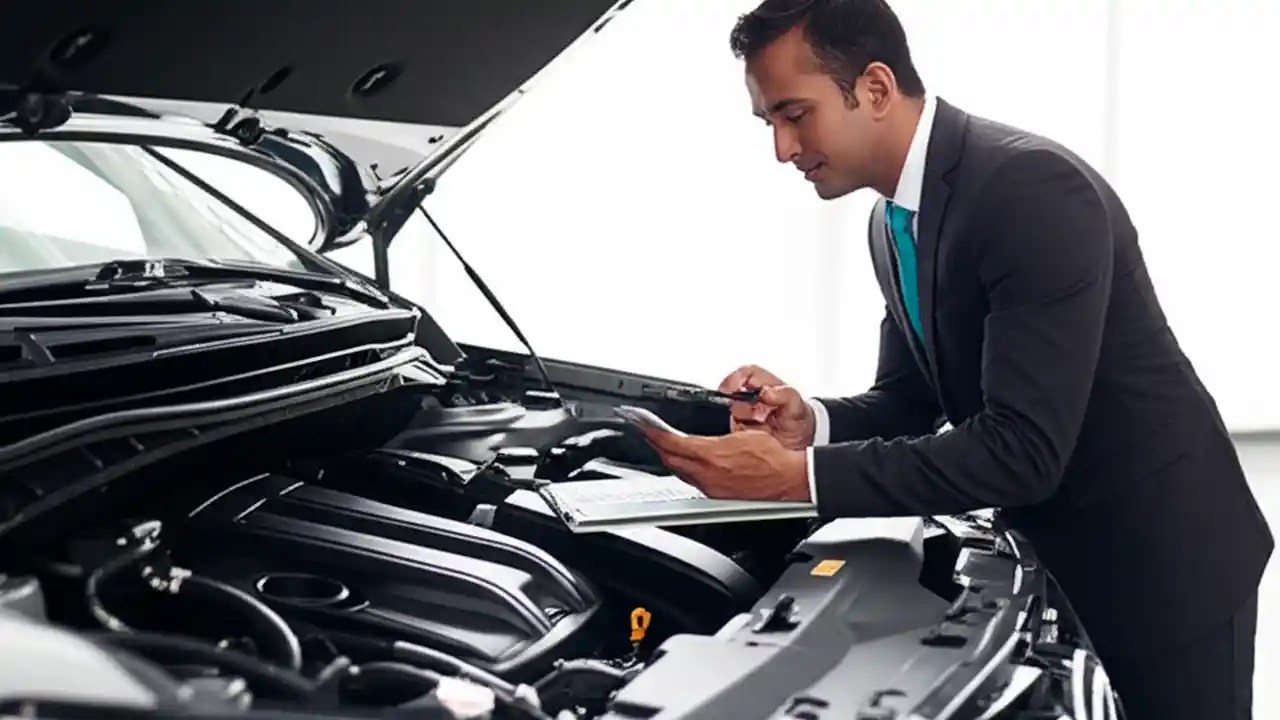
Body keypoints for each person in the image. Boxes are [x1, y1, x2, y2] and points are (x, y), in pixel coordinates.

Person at [637, 1, 1274, 718]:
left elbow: (1022, 450)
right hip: (1057, 545)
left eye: (794, 114)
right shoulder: (891, 221)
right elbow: (910, 400)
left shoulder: (1031, 192)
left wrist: (798, 480)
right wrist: (806, 424)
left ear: (874, 89)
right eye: (770, 124)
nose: (783, 149)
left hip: (1162, 562)